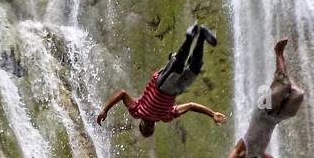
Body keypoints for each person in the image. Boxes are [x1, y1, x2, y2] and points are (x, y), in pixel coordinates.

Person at [96, 23, 227, 136]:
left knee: (178, 66)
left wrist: (105, 110)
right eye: (150, 129)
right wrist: (212, 114)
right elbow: (191, 106)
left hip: (161, 87)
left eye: (145, 128)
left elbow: (122, 94)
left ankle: (189, 38)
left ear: (141, 123)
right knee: (194, 69)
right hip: (177, 89)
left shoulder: (137, 111)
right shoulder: (166, 117)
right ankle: (202, 36)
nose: (149, 127)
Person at [225, 37, 305, 158]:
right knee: (298, 95)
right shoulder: (258, 155)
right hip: (275, 118)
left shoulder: (241, 146)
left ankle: (278, 52)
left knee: (283, 86)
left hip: (262, 110)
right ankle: (286, 85)